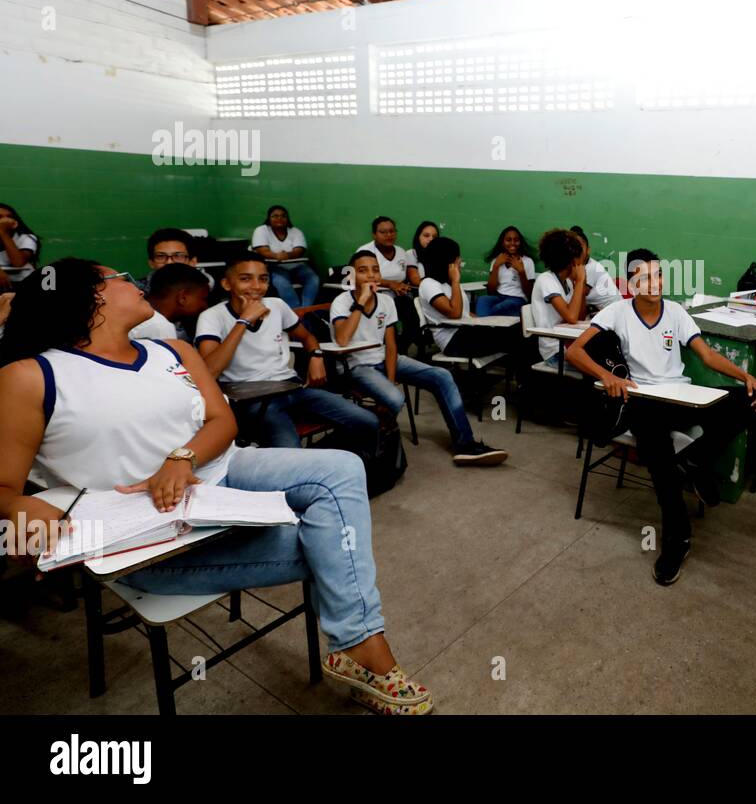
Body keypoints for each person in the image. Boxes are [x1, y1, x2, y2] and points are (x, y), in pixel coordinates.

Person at [0, 258, 433, 714]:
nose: (138, 284)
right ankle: (364, 648)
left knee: (341, 468)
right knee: (336, 545)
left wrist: (181, 458)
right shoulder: (30, 376)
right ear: (92, 295)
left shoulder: (174, 353)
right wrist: (21, 509)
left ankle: (358, 644)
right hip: (150, 533)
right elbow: (6, 487)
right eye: (123, 278)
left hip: (223, 473)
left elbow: (221, 420)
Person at [566, 249, 756, 586]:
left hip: (679, 397)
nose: (655, 282)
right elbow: (575, 351)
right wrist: (610, 377)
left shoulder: (675, 312)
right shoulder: (617, 311)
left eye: (658, 275)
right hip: (643, 401)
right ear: (631, 284)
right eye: (645, 277)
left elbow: (706, 355)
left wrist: (745, 377)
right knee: (658, 452)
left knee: (751, 400)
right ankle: (677, 539)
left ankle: (695, 459)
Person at [331, 251, 508, 467]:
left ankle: (466, 444)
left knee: (441, 375)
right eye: (362, 271)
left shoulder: (386, 302)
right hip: (356, 366)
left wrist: (391, 377)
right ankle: (372, 440)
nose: (370, 275)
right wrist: (360, 303)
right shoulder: (341, 302)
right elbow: (341, 339)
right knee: (395, 399)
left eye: (375, 270)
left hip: (383, 360)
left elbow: (391, 346)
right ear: (351, 276)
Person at [196, 254, 379, 455]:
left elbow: (307, 336)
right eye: (245, 279)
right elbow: (210, 371)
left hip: (290, 387)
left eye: (263, 279)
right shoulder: (212, 317)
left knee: (368, 422)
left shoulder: (276, 305)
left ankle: (315, 460)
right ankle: (301, 465)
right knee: (290, 452)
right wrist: (244, 321)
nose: (256, 286)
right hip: (252, 398)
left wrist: (316, 356)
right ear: (227, 284)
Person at [417, 236, 523, 366]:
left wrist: (487, 322)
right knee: (514, 339)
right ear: (446, 260)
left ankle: (520, 380)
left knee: (517, 332)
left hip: (467, 332)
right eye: (457, 257)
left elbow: (465, 313)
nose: (460, 261)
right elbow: (455, 313)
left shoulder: (449, 283)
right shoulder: (429, 284)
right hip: (453, 341)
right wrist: (456, 280)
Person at [354, 216, 417, 353]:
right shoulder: (364, 252)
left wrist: (402, 286)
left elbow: (403, 277)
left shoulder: (400, 252)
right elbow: (359, 277)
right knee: (389, 329)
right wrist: (390, 284)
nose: (389, 235)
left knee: (414, 322)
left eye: (392, 231)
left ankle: (399, 352)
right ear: (374, 234)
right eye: (383, 232)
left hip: (396, 298)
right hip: (372, 298)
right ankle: (391, 354)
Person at [530, 229, 587, 369]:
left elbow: (580, 316)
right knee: (601, 365)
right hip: (555, 351)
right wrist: (580, 282)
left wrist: (580, 285)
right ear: (572, 260)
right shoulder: (546, 280)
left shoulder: (566, 282)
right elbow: (572, 317)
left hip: (569, 344)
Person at [251, 205, 320, 307]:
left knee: (313, 279)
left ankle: (306, 309)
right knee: (282, 283)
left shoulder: (295, 231)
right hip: (272, 267)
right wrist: (276, 256)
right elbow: (262, 251)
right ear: (269, 218)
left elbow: (299, 251)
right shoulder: (261, 230)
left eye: (283, 216)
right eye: (275, 216)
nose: (279, 219)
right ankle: (295, 310)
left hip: (296, 266)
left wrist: (286, 255)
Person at [129, 263, 211, 343]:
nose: (205, 306)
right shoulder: (160, 326)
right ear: (183, 297)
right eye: (203, 298)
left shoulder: (131, 312)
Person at [476, 226, 534, 317]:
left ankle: (483, 323)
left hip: (517, 299)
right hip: (499, 297)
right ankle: (485, 324)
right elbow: (490, 291)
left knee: (499, 308)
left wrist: (521, 272)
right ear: (502, 243)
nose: (513, 243)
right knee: (482, 300)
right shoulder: (497, 260)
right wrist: (496, 266)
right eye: (508, 240)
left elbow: (530, 294)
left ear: (520, 242)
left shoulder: (527, 261)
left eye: (516, 240)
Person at [144, 228, 214, 292]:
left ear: (192, 262)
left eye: (178, 256)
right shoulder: (138, 292)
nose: (169, 262)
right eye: (161, 256)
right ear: (151, 263)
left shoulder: (211, 292)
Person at [570, 226, 621, 311]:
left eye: (580, 246)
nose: (576, 250)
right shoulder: (574, 267)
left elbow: (578, 297)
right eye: (572, 246)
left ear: (588, 250)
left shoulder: (592, 267)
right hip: (599, 311)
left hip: (614, 312)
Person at [0, 203, 39, 289]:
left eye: (9, 216)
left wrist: (3, 232)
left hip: (22, 283)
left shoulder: (26, 238)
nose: (5, 220)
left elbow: (18, 263)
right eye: (0, 217)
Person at [404, 221, 440, 288]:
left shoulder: (439, 256)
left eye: (434, 237)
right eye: (426, 236)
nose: (431, 239)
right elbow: (414, 280)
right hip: (418, 293)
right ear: (418, 237)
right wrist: (435, 288)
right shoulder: (411, 253)